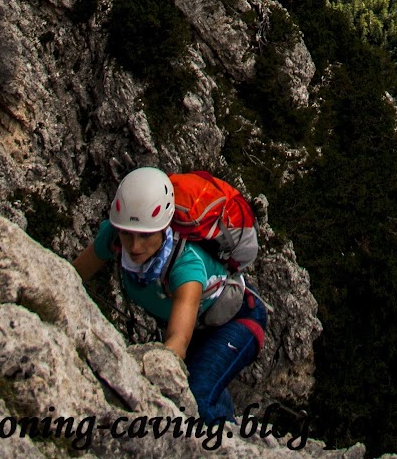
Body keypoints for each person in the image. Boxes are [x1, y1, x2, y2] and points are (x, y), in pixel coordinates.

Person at [73, 166, 268, 424]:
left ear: (164, 227)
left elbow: (178, 340)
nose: (134, 246)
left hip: (238, 321)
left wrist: (145, 377)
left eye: (145, 236)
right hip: (201, 325)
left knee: (197, 402)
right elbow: (70, 276)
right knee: (208, 393)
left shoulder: (186, 266)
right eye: (127, 234)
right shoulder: (114, 237)